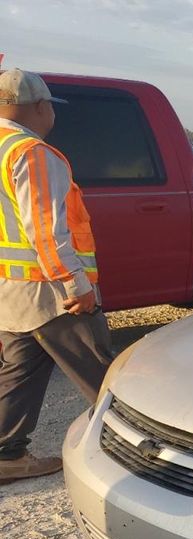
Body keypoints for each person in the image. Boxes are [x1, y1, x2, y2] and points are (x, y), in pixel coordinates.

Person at [0, 68, 113, 483]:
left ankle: (6, 455)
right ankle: (139, 460)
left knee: (18, 373)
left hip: (10, 292)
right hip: (51, 295)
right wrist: (78, 287)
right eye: (50, 107)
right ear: (39, 106)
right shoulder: (30, 153)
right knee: (104, 375)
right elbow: (47, 232)